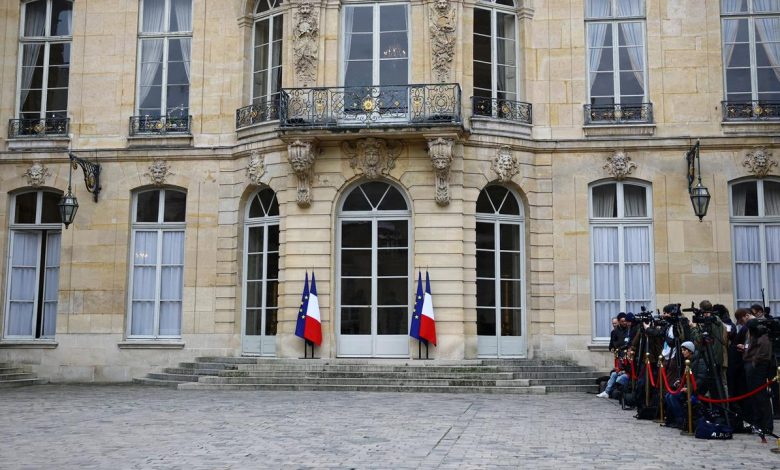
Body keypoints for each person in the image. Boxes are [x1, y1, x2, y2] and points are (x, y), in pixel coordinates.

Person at [664, 341, 710, 429]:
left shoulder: (699, 361)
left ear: (690, 351)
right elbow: (685, 377)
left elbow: (700, 379)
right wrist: (679, 382)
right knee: (668, 395)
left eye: (684, 350)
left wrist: (689, 388)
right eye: (682, 350)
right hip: (688, 388)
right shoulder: (688, 361)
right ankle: (676, 419)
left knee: (672, 397)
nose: (682, 352)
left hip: (696, 391)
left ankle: (682, 420)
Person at [741, 319, 774, 434]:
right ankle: (759, 422)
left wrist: (753, 363)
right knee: (754, 396)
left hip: (758, 368)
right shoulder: (757, 335)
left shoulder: (763, 337)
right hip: (753, 367)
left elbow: (763, 355)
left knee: (761, 396)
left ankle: (766, 425)